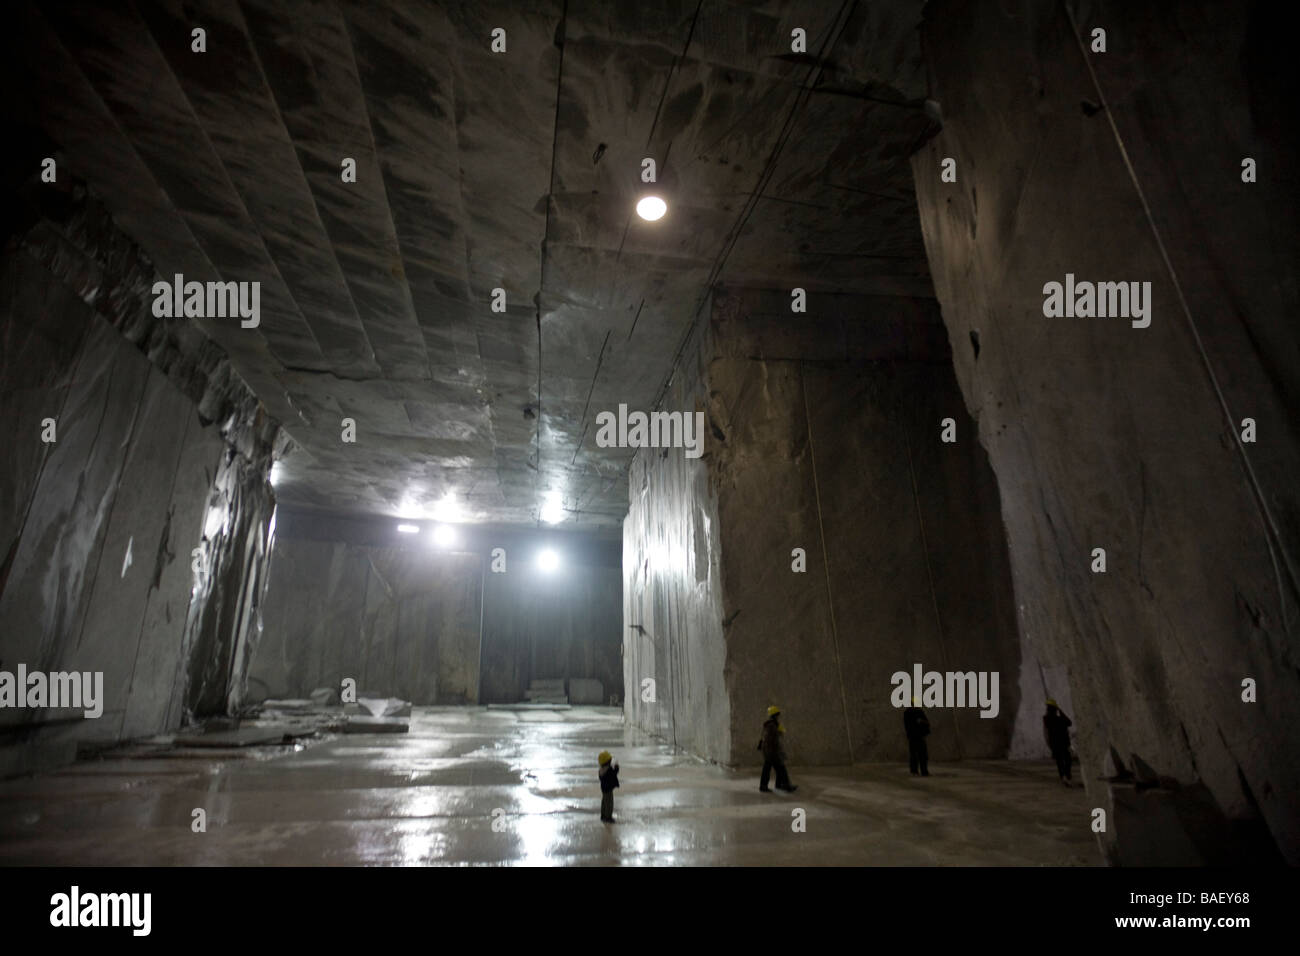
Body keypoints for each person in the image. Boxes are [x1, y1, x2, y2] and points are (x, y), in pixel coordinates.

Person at [757, 705, 797, 793]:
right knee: (780, 768)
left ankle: (776, 785)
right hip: (771, 752)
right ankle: (784, 785)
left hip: (770, 751)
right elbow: (770, 740)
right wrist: (776, 752)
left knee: (774, 769)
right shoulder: (771, 726)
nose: (779, 717)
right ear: (775, 715)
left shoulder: (771, 724)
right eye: (777, 715)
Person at [1043, 698, 1073, 786]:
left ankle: (1065, 776)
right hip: (1059, 743)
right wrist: (1061, 712)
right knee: (1064, 761)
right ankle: (1066, 777)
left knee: (1063, 761)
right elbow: (1069, 722)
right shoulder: (1051, 719)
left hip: (1059, 743)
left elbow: (1069, 723)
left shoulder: (1050, 719)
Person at [903, 697, 930, 776]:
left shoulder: (910, 712)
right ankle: (921, 771)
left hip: (916, 736)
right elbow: (927, 723)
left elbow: (927, 722)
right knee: (918, 754)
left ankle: (918, 771)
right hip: (916, 736)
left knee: (918, 754)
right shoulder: (913, 712)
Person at [598, 750, 619, 822]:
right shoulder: (608, 770)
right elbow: (614, 774)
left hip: (604, 788)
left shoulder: (601, 770)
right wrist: (616, 768)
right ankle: (608, 817)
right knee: (609, 803)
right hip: (608, 788)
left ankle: (603, 815)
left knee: (604, 802)